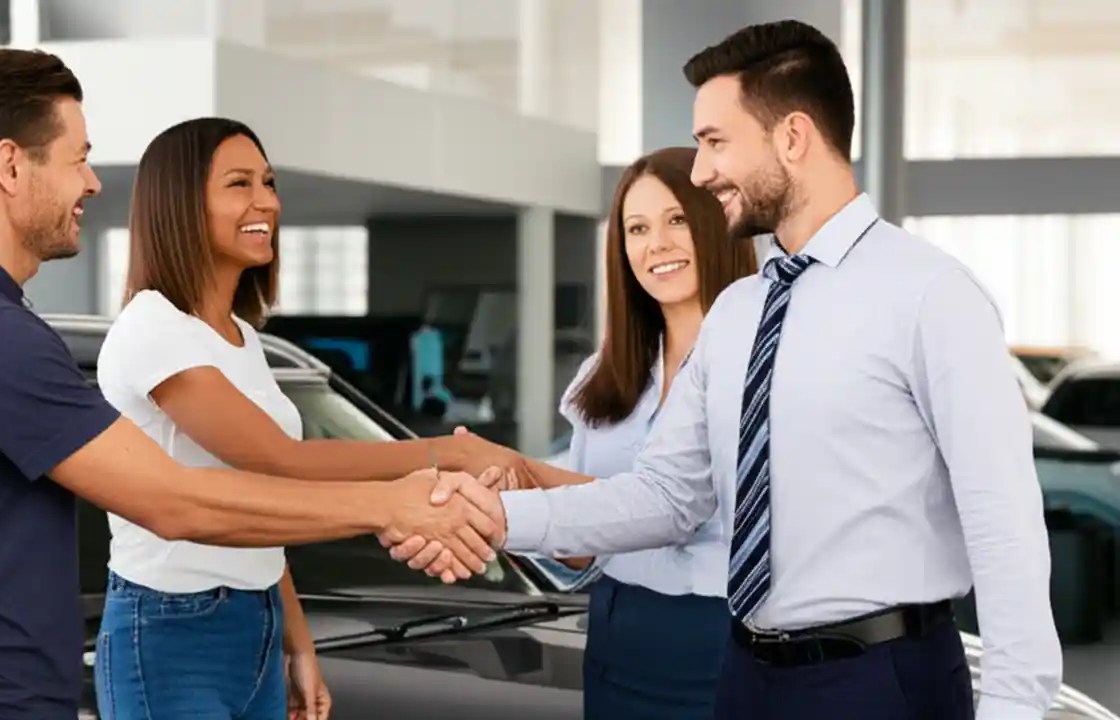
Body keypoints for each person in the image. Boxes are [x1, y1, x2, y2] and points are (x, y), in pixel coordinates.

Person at [390, 20, 1062, 720]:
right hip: (744, 674)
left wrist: (1014, 708)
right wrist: (497, 516)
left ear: (792, 137)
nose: (704, 170)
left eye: (716, 141)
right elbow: (668, 496)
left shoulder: (931, 295)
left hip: (879, 680)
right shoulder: (739, 313)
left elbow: (1003, 524)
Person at [0, 48, 505, 720]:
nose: (94, 184)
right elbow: (176, 502)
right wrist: (391, 505)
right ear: (11, 165)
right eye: (77, 159)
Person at [92, 117, 519, 720]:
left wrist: (296, 638)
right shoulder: (152, 327)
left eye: (268, 181)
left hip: (255, 618)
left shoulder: (242, 338)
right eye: (239, 184)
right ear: (181, 204)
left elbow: (268, 503)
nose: (266, 200)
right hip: (170, 628)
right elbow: (281, 461)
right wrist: (446, 455)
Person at [545, 146, 757, 719]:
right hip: (621, 632)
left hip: (731, 636)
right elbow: (581, 549)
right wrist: (511, 496)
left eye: (677, 221)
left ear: (717, 224)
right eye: (636, 229)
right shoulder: (603, 374)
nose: (655, 244)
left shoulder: (768, 364)